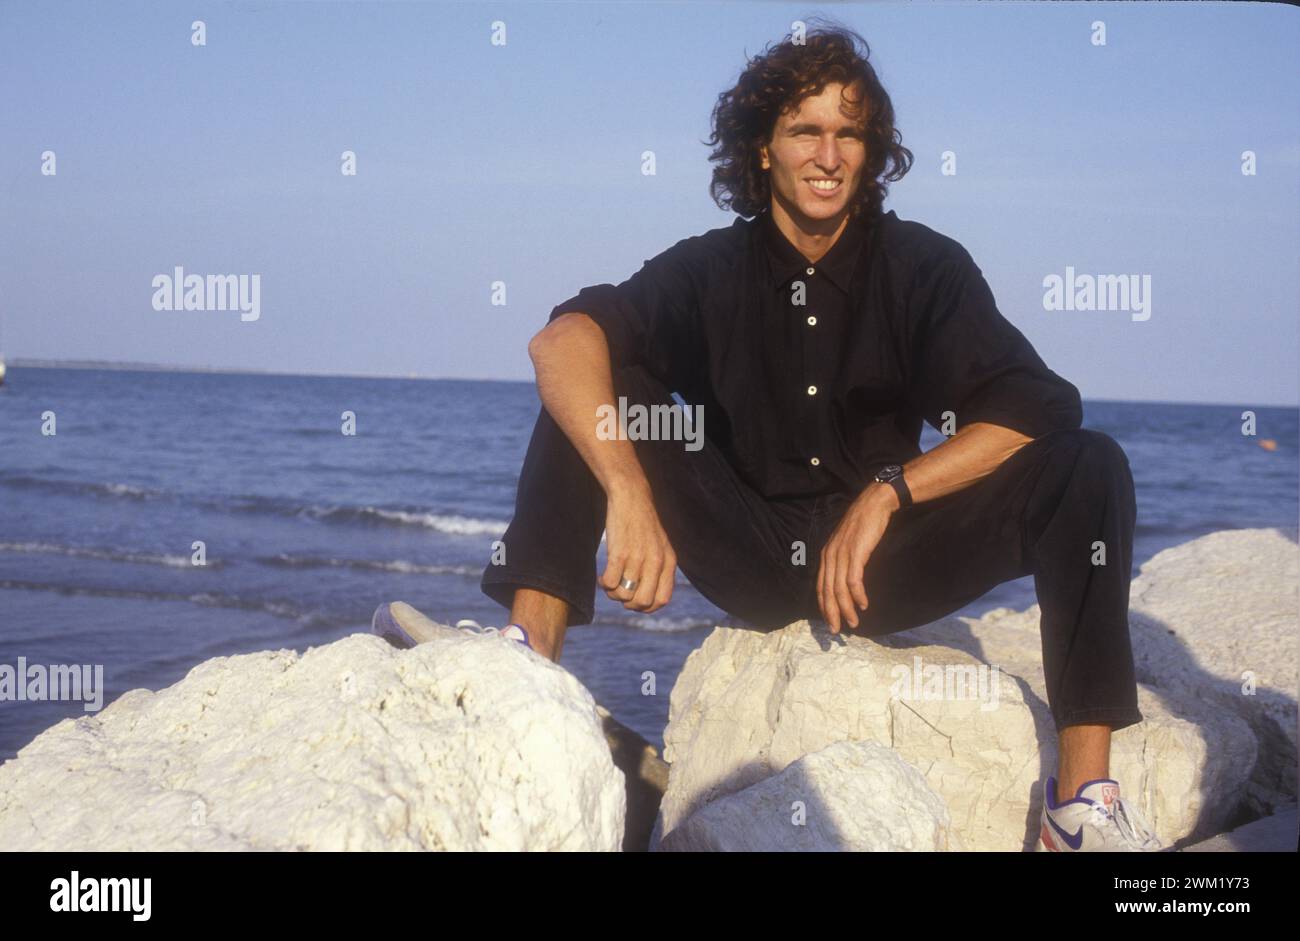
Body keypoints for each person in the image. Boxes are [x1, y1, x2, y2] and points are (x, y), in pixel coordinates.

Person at [376, 25, 1161, 852]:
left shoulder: (923, 268)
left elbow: (1041, 407)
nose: (827, 155)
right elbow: (559, 343)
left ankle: (1080, 806)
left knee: (1089, 463)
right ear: (762, 148)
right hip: (747, 549)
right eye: (804, 131)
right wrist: (629, 489)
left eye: (848, 133)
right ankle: (525, 663)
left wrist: (890, 492)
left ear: (871, 150)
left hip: (882, 568)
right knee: (598, 369)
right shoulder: (711, 268)